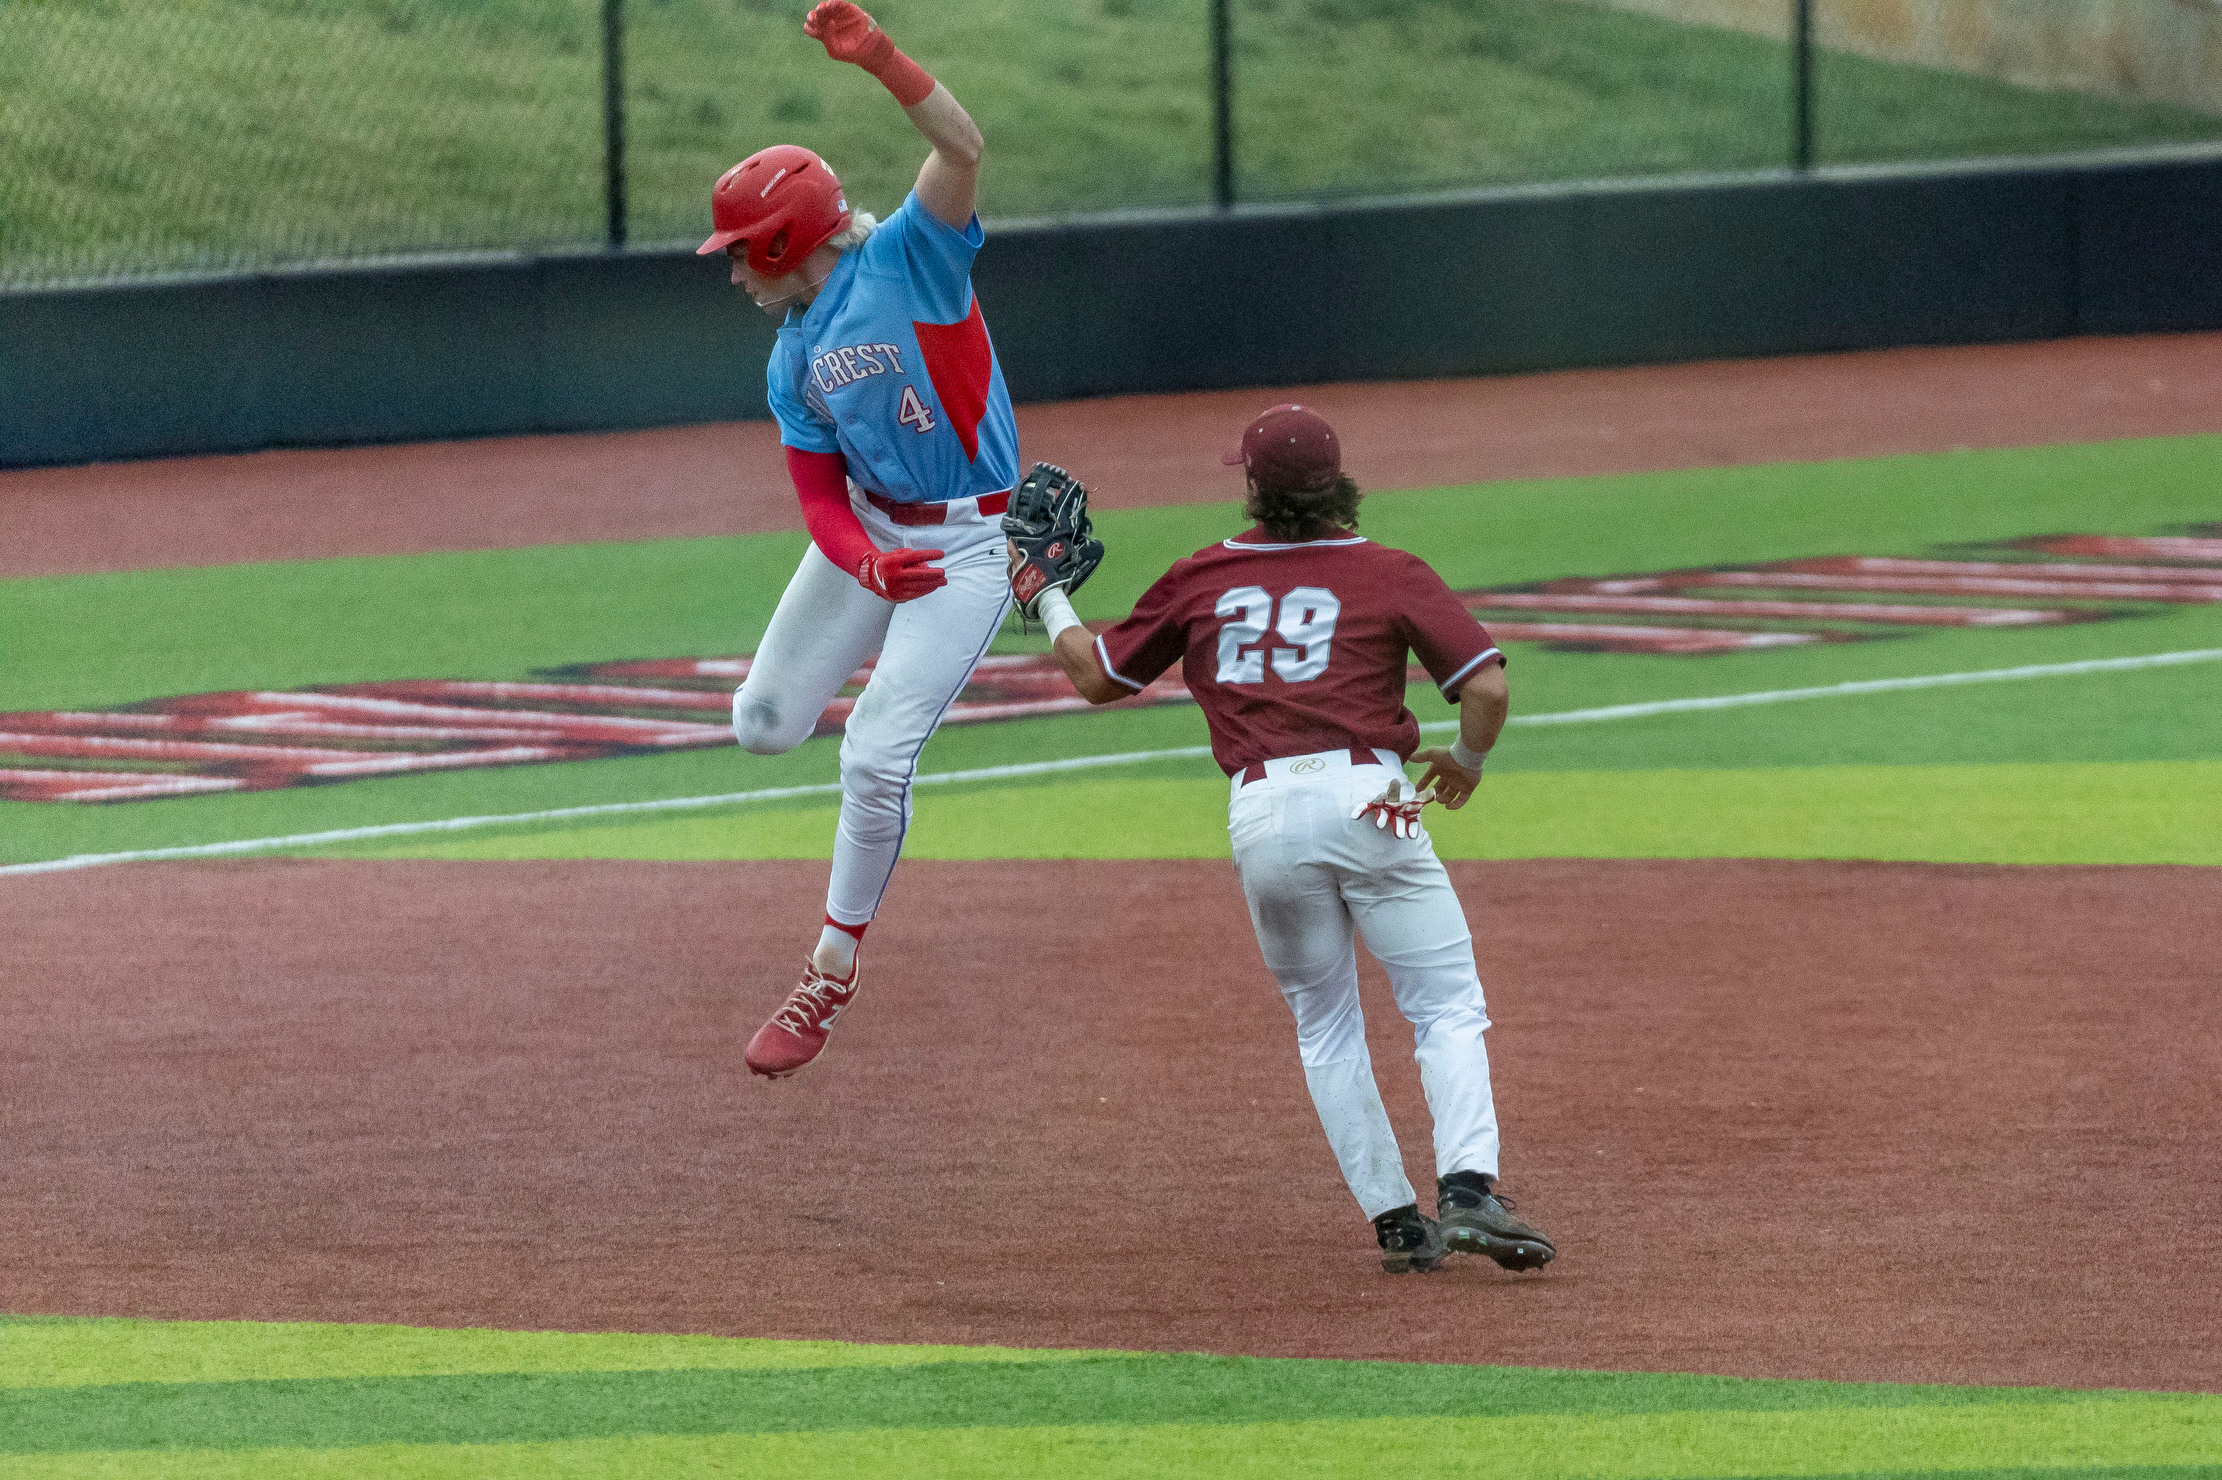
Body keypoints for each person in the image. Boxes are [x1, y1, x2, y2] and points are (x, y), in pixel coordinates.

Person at [1018, 405, 1557, 1274]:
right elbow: (1486, 689)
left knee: (1325, 1024)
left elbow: (1095, 676)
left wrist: (1045, 591)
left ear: (1252, 489)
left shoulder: (1202, 576)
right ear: (1340, 485)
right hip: (1371, 798)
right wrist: (1463, 761)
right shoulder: (1388, 570)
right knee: (1444, 1005)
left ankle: (1396, 1223)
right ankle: (1466, 1189)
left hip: (1262, 815)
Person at [700, 1, 1018, 1079]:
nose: (734, 272)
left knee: (873, 754)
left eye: (743, 252)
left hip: (971, 549)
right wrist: (862, 560)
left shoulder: (908, 263)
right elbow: (819, 497)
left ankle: (828, 971)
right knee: (759, 723)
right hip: (879, 543)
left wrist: (878, 58)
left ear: (790, 240)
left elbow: (962, 146)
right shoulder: (789, 359)